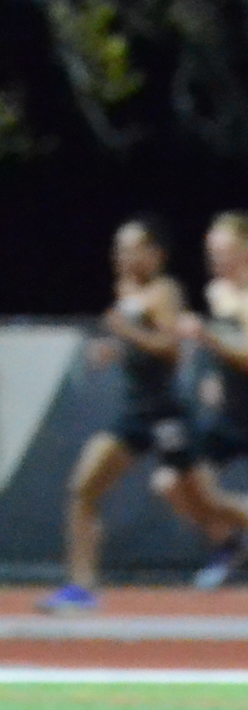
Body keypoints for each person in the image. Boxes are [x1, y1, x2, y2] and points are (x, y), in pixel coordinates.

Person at [39, 218, 190, 612]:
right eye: (117, 249)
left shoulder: (164, 291)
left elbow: (171, 349)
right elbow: (136, 345)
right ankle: (82, 587)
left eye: (129, 249)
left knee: (203, 505)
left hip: (166, 413)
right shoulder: (125, 291)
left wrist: (125, 331)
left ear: (154, 254)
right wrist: (113, 349)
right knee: (84, 487)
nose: (120, 257)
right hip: (136, 414)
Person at [170, 211, 248, 589]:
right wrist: (216, 378)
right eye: (211, 252)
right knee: (170, 482)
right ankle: (229, 545)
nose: (216, 260)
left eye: (225, 251)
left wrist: (207, 337)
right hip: (232, 415)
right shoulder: (218, 293)